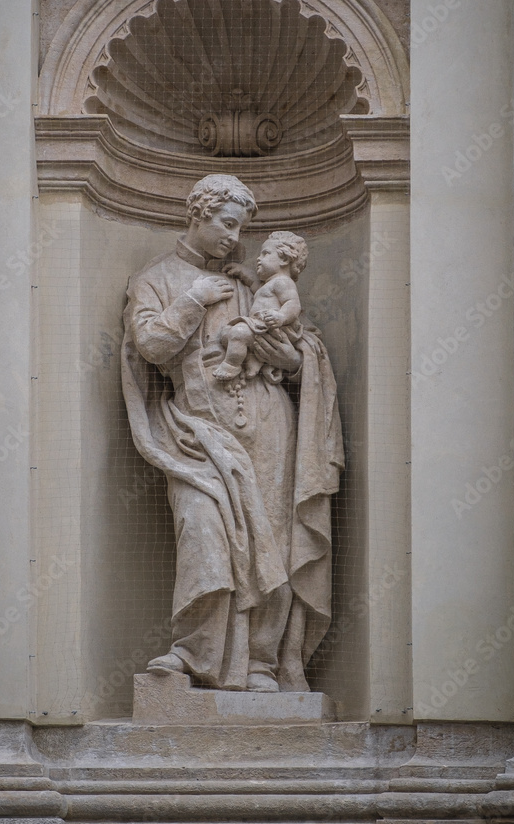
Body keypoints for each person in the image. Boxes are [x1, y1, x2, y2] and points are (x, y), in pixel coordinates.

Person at [121, 174, 343, 693]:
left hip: (268, 424)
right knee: (203, 531)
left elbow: (295, 354)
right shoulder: (155, 279)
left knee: (272, 539)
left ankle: (263, 661)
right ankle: (197, 651)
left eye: (240, 227)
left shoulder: (252, 283)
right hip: (194, 431)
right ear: (197, 214)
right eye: (226, 223)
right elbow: (151, 346)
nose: (233, 237)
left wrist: (265, 344)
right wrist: (194, 300)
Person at [213, 230, 308, 384]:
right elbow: (256, 287)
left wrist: (281, 317)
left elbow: (293, 304)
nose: (258, 258)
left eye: (265, 254)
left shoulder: (283, 282)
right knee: (226, 335)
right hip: (260, 327)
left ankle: (231, 366)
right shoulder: (269, 285)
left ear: (283, 259)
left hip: (272, 327)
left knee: (238, 333)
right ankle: (254, 360)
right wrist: (243, 273)